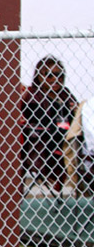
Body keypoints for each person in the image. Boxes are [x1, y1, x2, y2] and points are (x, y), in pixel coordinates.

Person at [20, 56, 78, 194]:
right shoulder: (32, 95)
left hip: (67, 138)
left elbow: (75, 115)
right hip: (40, 143)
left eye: (58, 75)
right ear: (39, 76)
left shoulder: (65, 93)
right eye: (49, 75)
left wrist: (75, 110)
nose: (54, 79)